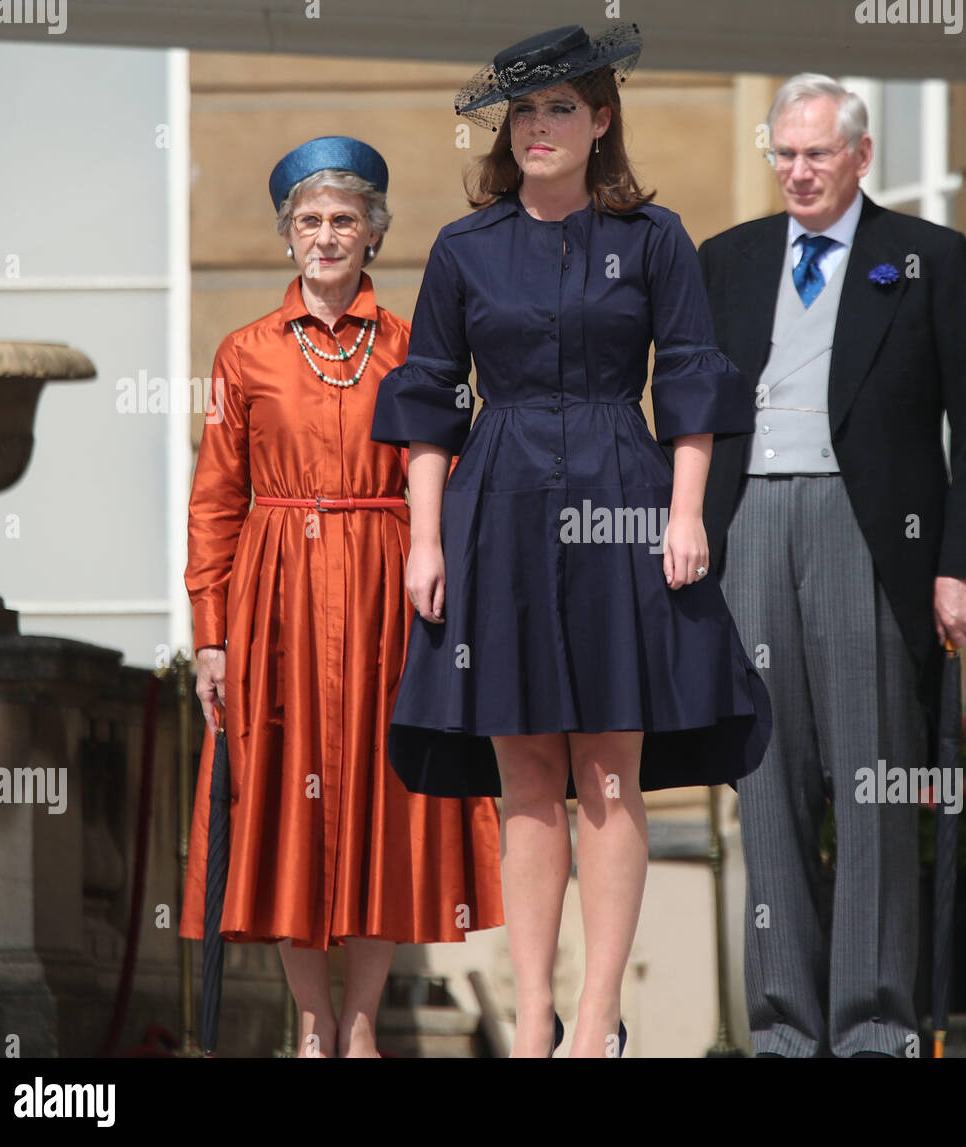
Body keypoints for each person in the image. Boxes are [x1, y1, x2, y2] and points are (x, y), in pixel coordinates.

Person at [371, 24, 771, 1059]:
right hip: (492, 508)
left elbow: (690, 381)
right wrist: (425, 540)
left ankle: (595, 1022)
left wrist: (686, 513)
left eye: (560, 108)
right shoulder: (465, 249)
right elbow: (425, 399)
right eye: (524, 110)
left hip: (624, 501)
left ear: (601, 121)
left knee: (607, 771)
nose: (538, 126)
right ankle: (534, 1016)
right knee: (526, 779)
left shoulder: (654, 240)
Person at [697, 75, 966, 1058]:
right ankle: (786, 1029)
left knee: (871, 783)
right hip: (749, 520)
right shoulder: (727, 260)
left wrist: (963, 566)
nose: (796, 171)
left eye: (816, 154)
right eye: (783, 154)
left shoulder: (929, 257)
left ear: (860, 157)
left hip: (870, 531)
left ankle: (875, 1025)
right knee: (767, 782)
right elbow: (688, 410)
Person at [181, 136, 504, 1058]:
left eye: (344, 220)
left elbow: (449, 475)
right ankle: (312, 1023)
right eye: (310, 221)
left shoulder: (414, 344)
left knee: (380, 803)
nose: (326, 237)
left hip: (384, 592)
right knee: (284, 798)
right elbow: (215, 500)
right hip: (274, 591)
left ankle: (361, 1025)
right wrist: (213, 635)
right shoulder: (243, 353)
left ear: (373, 235)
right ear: (289, 236)